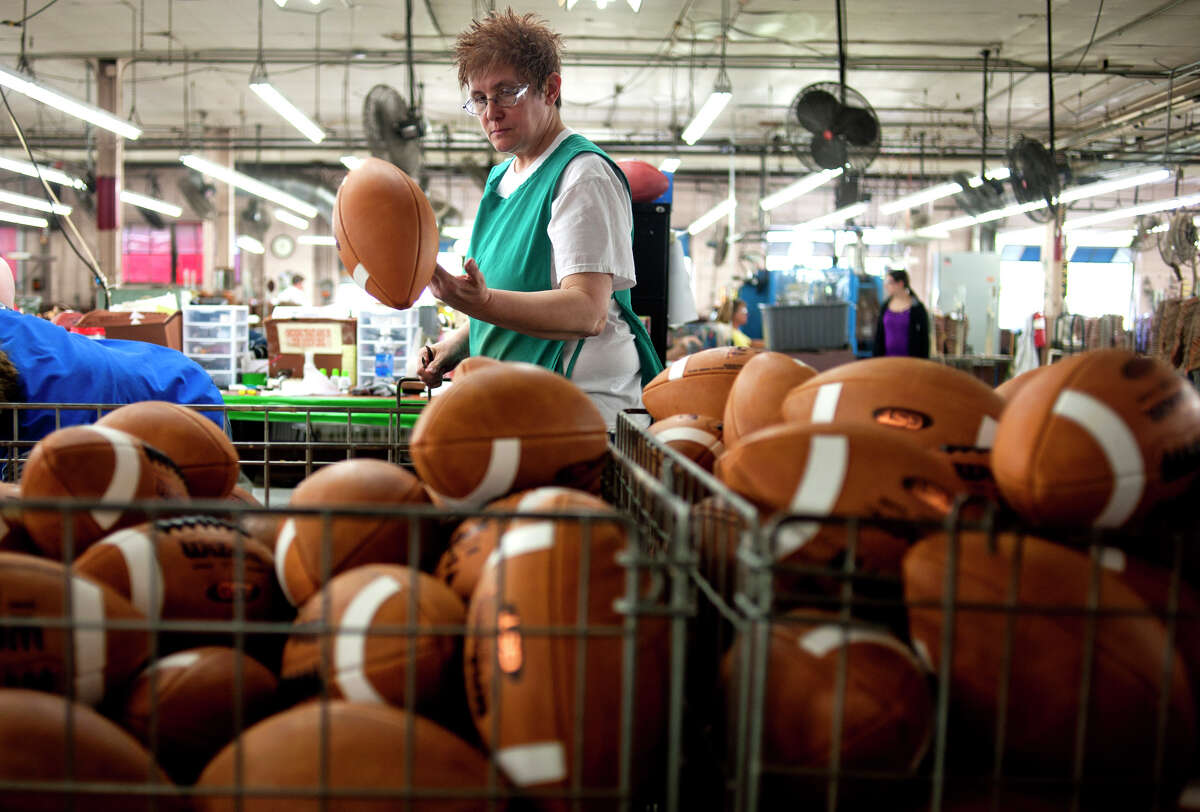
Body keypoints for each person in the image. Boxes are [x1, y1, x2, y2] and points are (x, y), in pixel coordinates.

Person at [417, 9, 662, 429]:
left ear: (550, 89)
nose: (490, 112)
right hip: (521, 404)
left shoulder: (582, 175)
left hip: (582, 414)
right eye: (478, 98)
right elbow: (516, 293)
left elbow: (587, 311)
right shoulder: (501, 180)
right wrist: (460, 342)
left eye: (506, 92)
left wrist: (483, 303)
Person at [872, 268, 930, 358]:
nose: (886, 286)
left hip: (910, 360)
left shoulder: (917, 308)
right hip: (886, 360)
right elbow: (879, 335)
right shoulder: (885, 306)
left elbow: (924, 337)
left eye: (889, 283)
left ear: (900, 284)